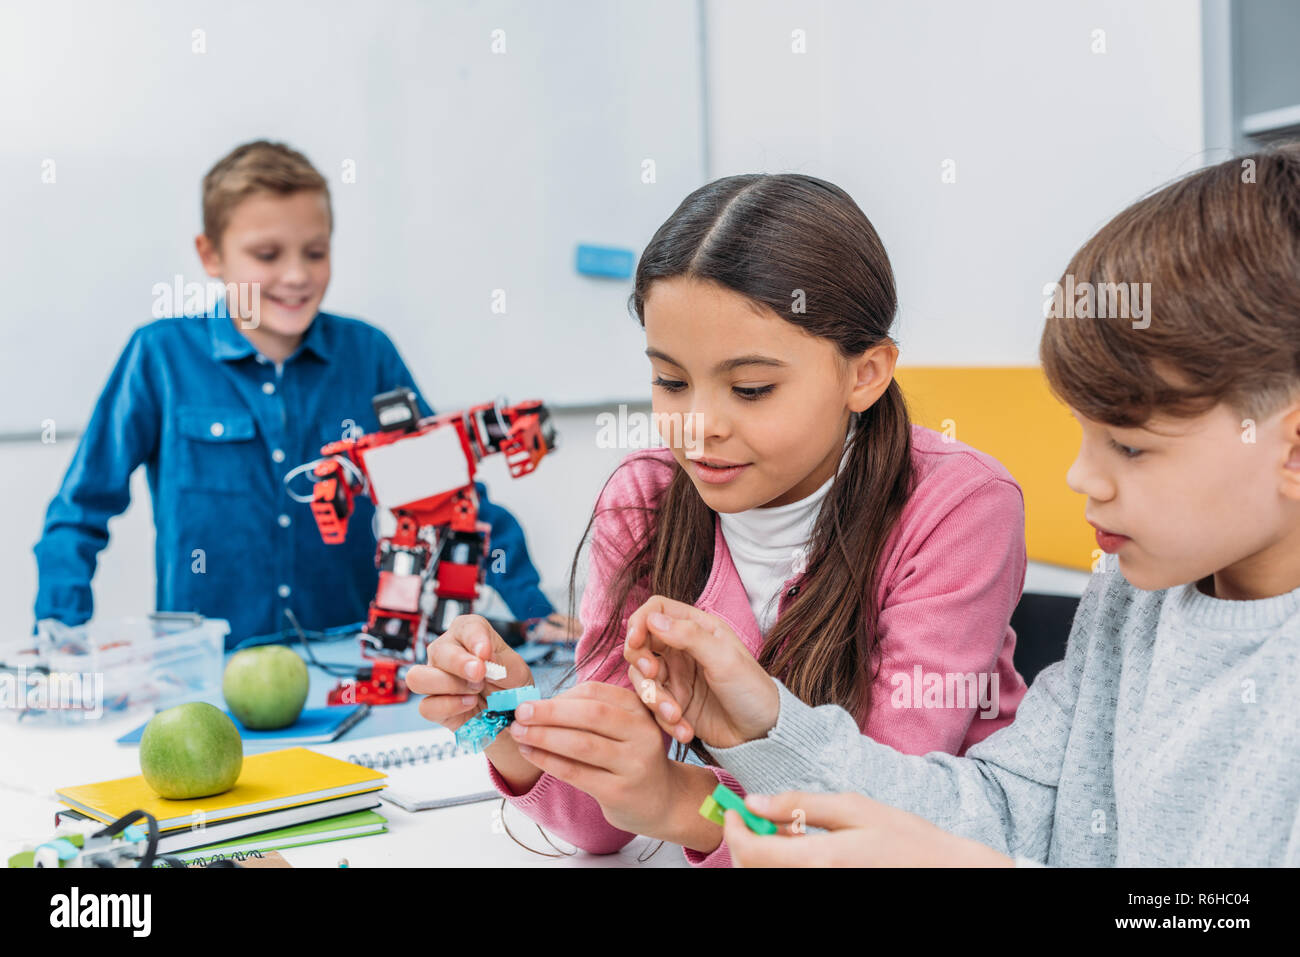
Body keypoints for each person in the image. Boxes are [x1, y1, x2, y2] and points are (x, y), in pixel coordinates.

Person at [624, 146, 1300, 866]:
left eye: (1130, 447)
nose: (1081, 477)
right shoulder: (1137, 597)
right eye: (1083, 432)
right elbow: (1010, 808)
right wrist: (766, 726)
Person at [410, 173, 1029, 866]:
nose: (697, 428)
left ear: (867, 373)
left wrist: (681, 799)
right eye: (671, 381)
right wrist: (503, 716)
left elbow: (869, 827)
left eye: (751, 389)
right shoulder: (645, 496)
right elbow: (603, 819)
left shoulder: (960, 508)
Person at [34, 140, 575, 649]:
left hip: (345, 656)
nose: (295, 276)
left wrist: (528, 601)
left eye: (314, 253)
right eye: (267, 255)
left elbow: (447, 491)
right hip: (205, 670)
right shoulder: (160, 357)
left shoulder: (367, 355)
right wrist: (61, 634)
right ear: (210, 255)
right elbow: (80, 510)